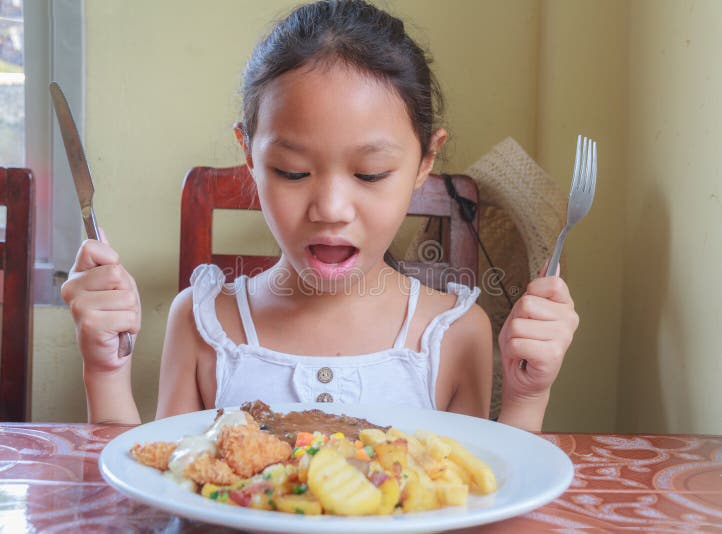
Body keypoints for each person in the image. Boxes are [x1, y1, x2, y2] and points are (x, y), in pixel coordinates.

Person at [61, 0, 579, 432]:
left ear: (425, 161)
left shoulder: (454, 334)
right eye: (291, 171)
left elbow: (483, 496)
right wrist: (105, 370)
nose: (330, 210)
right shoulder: (202, 323)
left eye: (371, 174)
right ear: (248, 153)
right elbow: (156, 490)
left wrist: (526, 397)